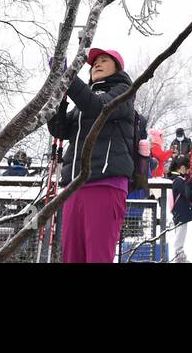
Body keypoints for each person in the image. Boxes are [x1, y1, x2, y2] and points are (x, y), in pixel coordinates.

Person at [47, 47, 138, 263]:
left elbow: (98, 107)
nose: (97, 64)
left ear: (118, 68)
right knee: (71, 256)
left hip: (105, 183)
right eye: (94, 62)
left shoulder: (123, 92)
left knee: (97, 255)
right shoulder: (83, 101)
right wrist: (58, 91)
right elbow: (59, 129)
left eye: (104, 60)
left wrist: (68, 77)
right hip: (74, 186)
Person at [167, 155, 192, 263]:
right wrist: (190, 184)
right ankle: (179, 256)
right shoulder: (179, 181)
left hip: (178, 211)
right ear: (182, 168)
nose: (188, 171)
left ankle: (179, 255)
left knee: (179, 233)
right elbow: (187, 193)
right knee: (180, 235)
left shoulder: (172, 179)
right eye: (188, 168)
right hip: (181, 212)